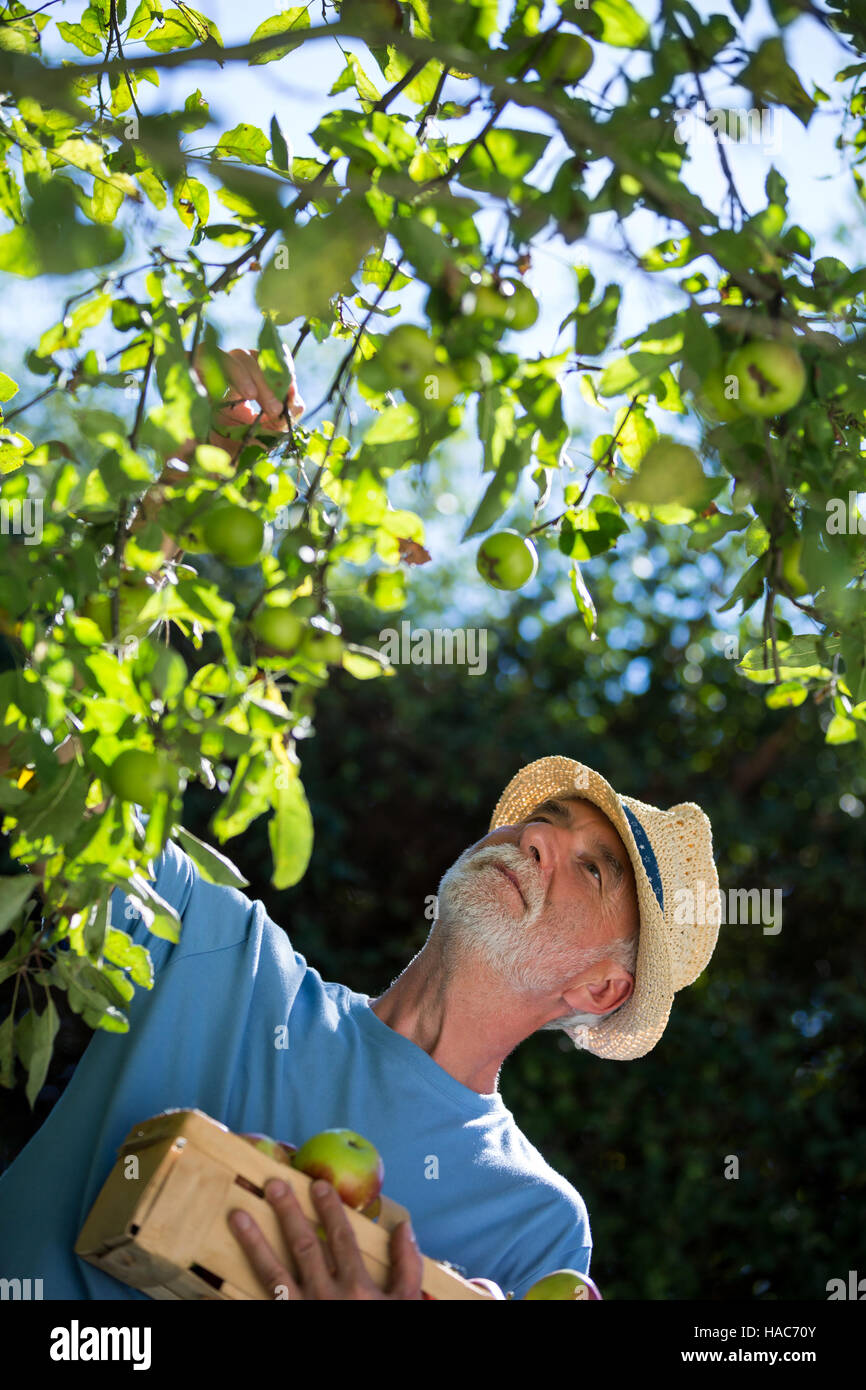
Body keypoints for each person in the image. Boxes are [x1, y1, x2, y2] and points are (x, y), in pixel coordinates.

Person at [0, 352, 723, 1301]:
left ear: (601, 987)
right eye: (543, 821)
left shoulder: (535, 1224)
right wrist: (179, 496)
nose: (539, 841)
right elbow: (57, 764)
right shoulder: (220, 947)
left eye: (594, 872)